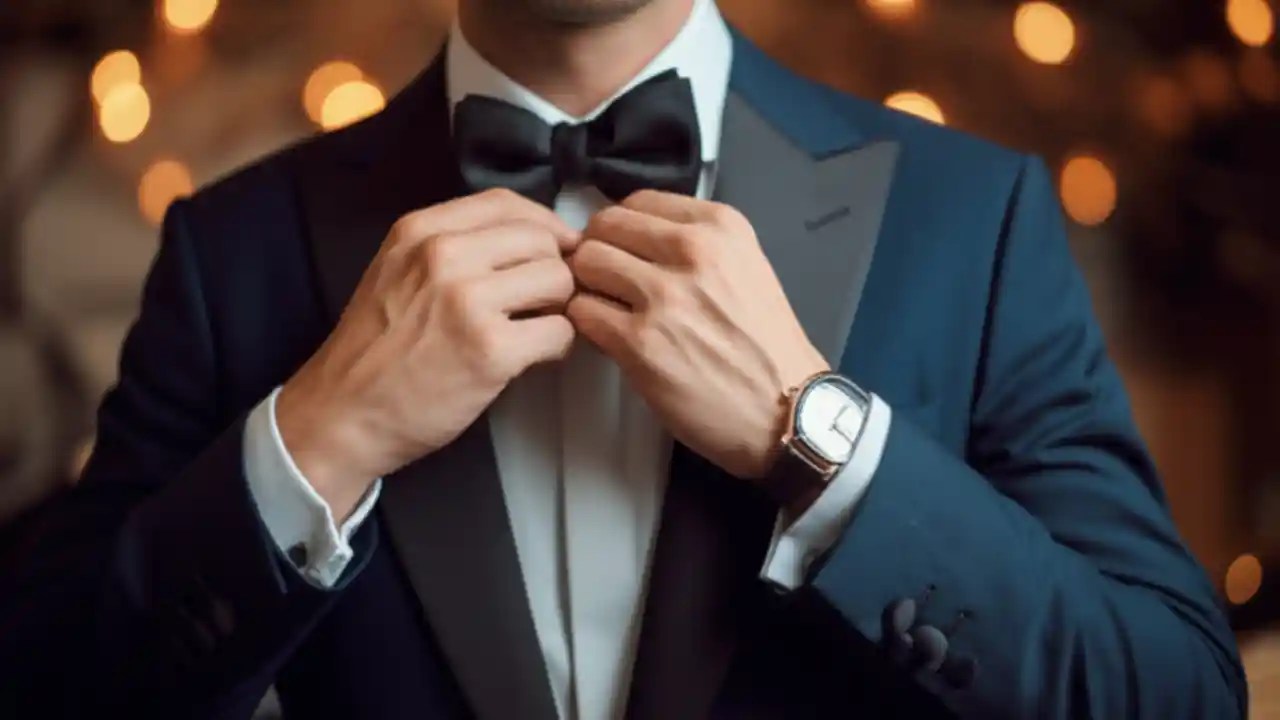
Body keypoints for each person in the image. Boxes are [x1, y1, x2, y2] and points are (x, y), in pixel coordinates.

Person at [0, 0, 1247, 717]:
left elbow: (1173, 695)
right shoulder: (238, 250)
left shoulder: (969, 219)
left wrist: (812, 432)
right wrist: (317, 440)